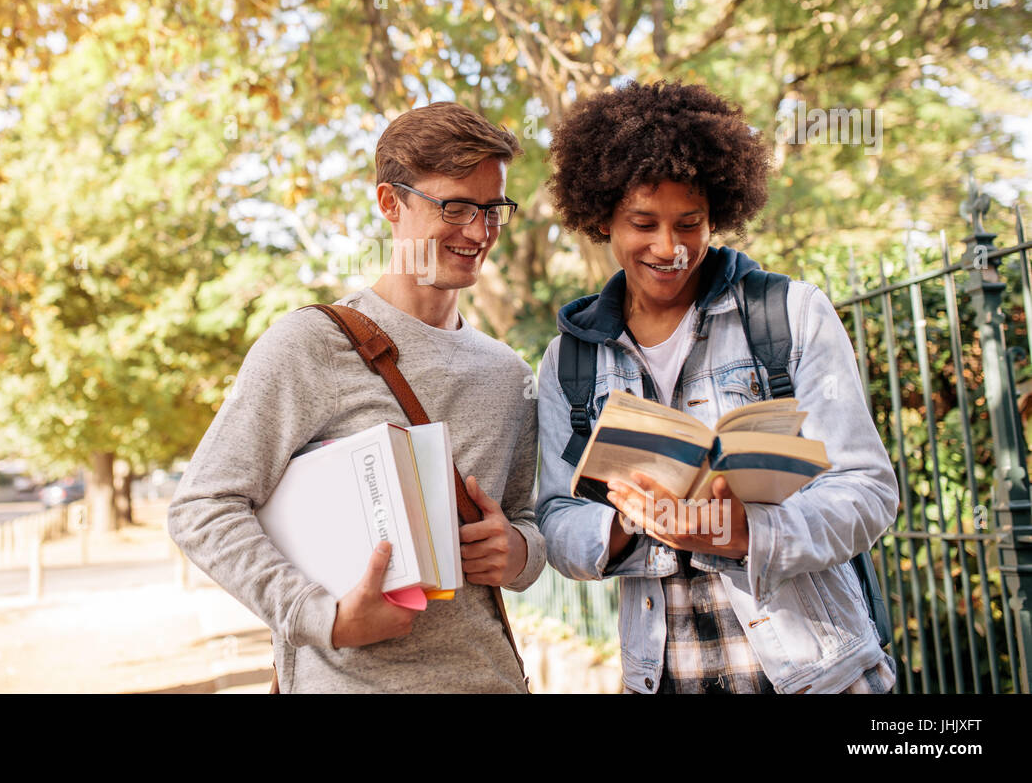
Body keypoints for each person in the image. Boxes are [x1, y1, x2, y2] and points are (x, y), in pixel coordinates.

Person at [536, 80, 899, 694]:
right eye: (642, 223)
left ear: (718, 214)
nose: (669, 248)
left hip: (819, 675)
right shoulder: (569, 360)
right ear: (602, 219)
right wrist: (626, 523)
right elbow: (554, 517)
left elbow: (867, 490)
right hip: (664, 677)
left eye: (690, 224)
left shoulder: (791, 315)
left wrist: (743, 532)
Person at [168, 102, 545, 693]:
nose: (480, 231)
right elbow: (203, 508)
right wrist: (324, 618)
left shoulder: (508, 373)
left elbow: (524, 515)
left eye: (493, 208)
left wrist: (520, 552)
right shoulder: (308, 345)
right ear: (390, 203)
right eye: (456, 207)